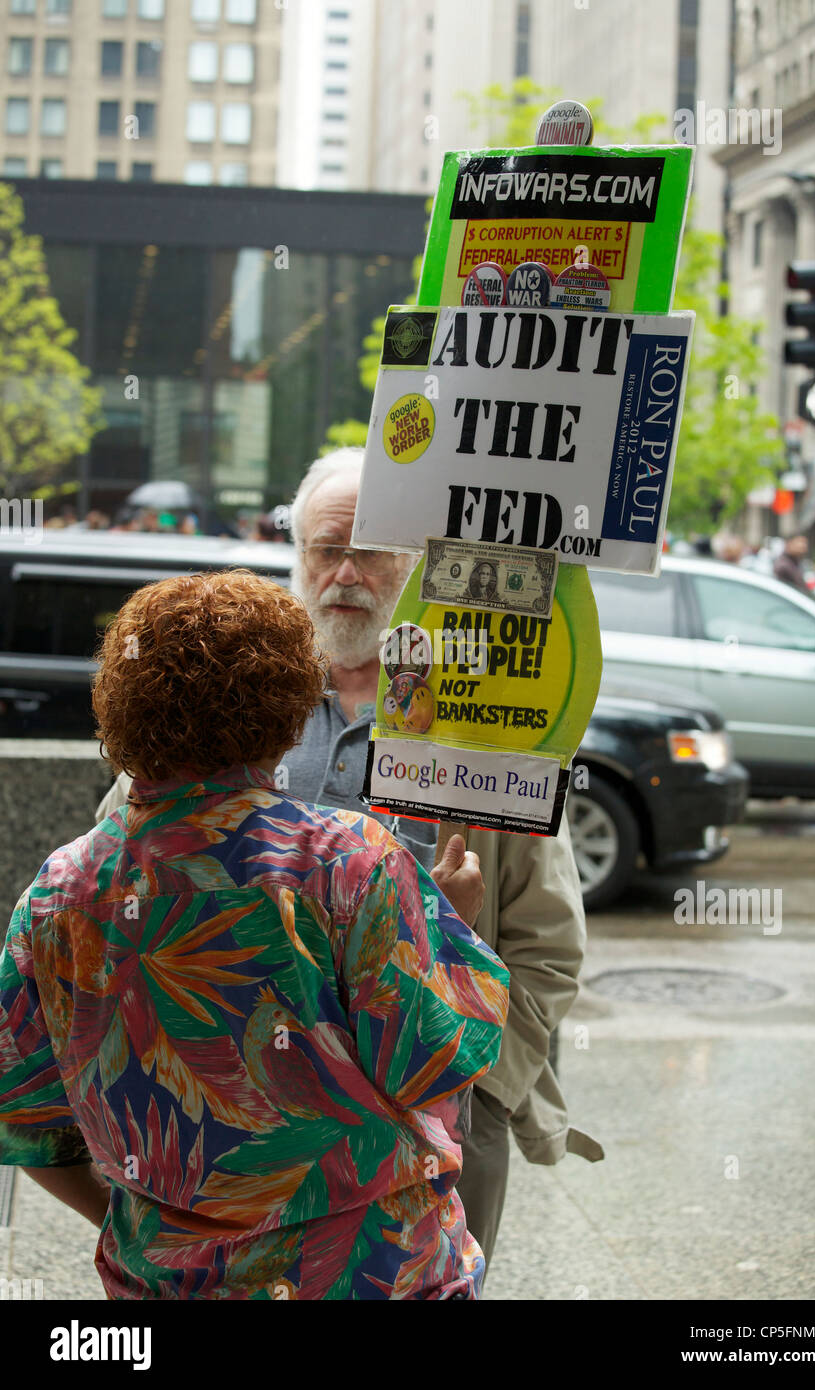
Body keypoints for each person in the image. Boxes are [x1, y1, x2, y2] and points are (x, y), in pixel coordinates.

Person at [95, 447, 603, 1267]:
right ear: (297, 559)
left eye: (369, 549)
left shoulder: (485, 728)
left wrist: (479, 1096)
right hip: (239, 1135)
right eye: (326, 549)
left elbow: (548, 945)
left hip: (432, 1137)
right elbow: (120, 871)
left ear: (416, 563)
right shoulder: (228, 703)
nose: (345, 573)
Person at [0, 568, 509, 1300]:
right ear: (289, 709)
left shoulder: (58, 893)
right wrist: (447, 921)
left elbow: (24, 1124)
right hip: (367, 1271)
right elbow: (436, 1063)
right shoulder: (350, 864)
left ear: (117, 704)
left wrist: (149, 1223)